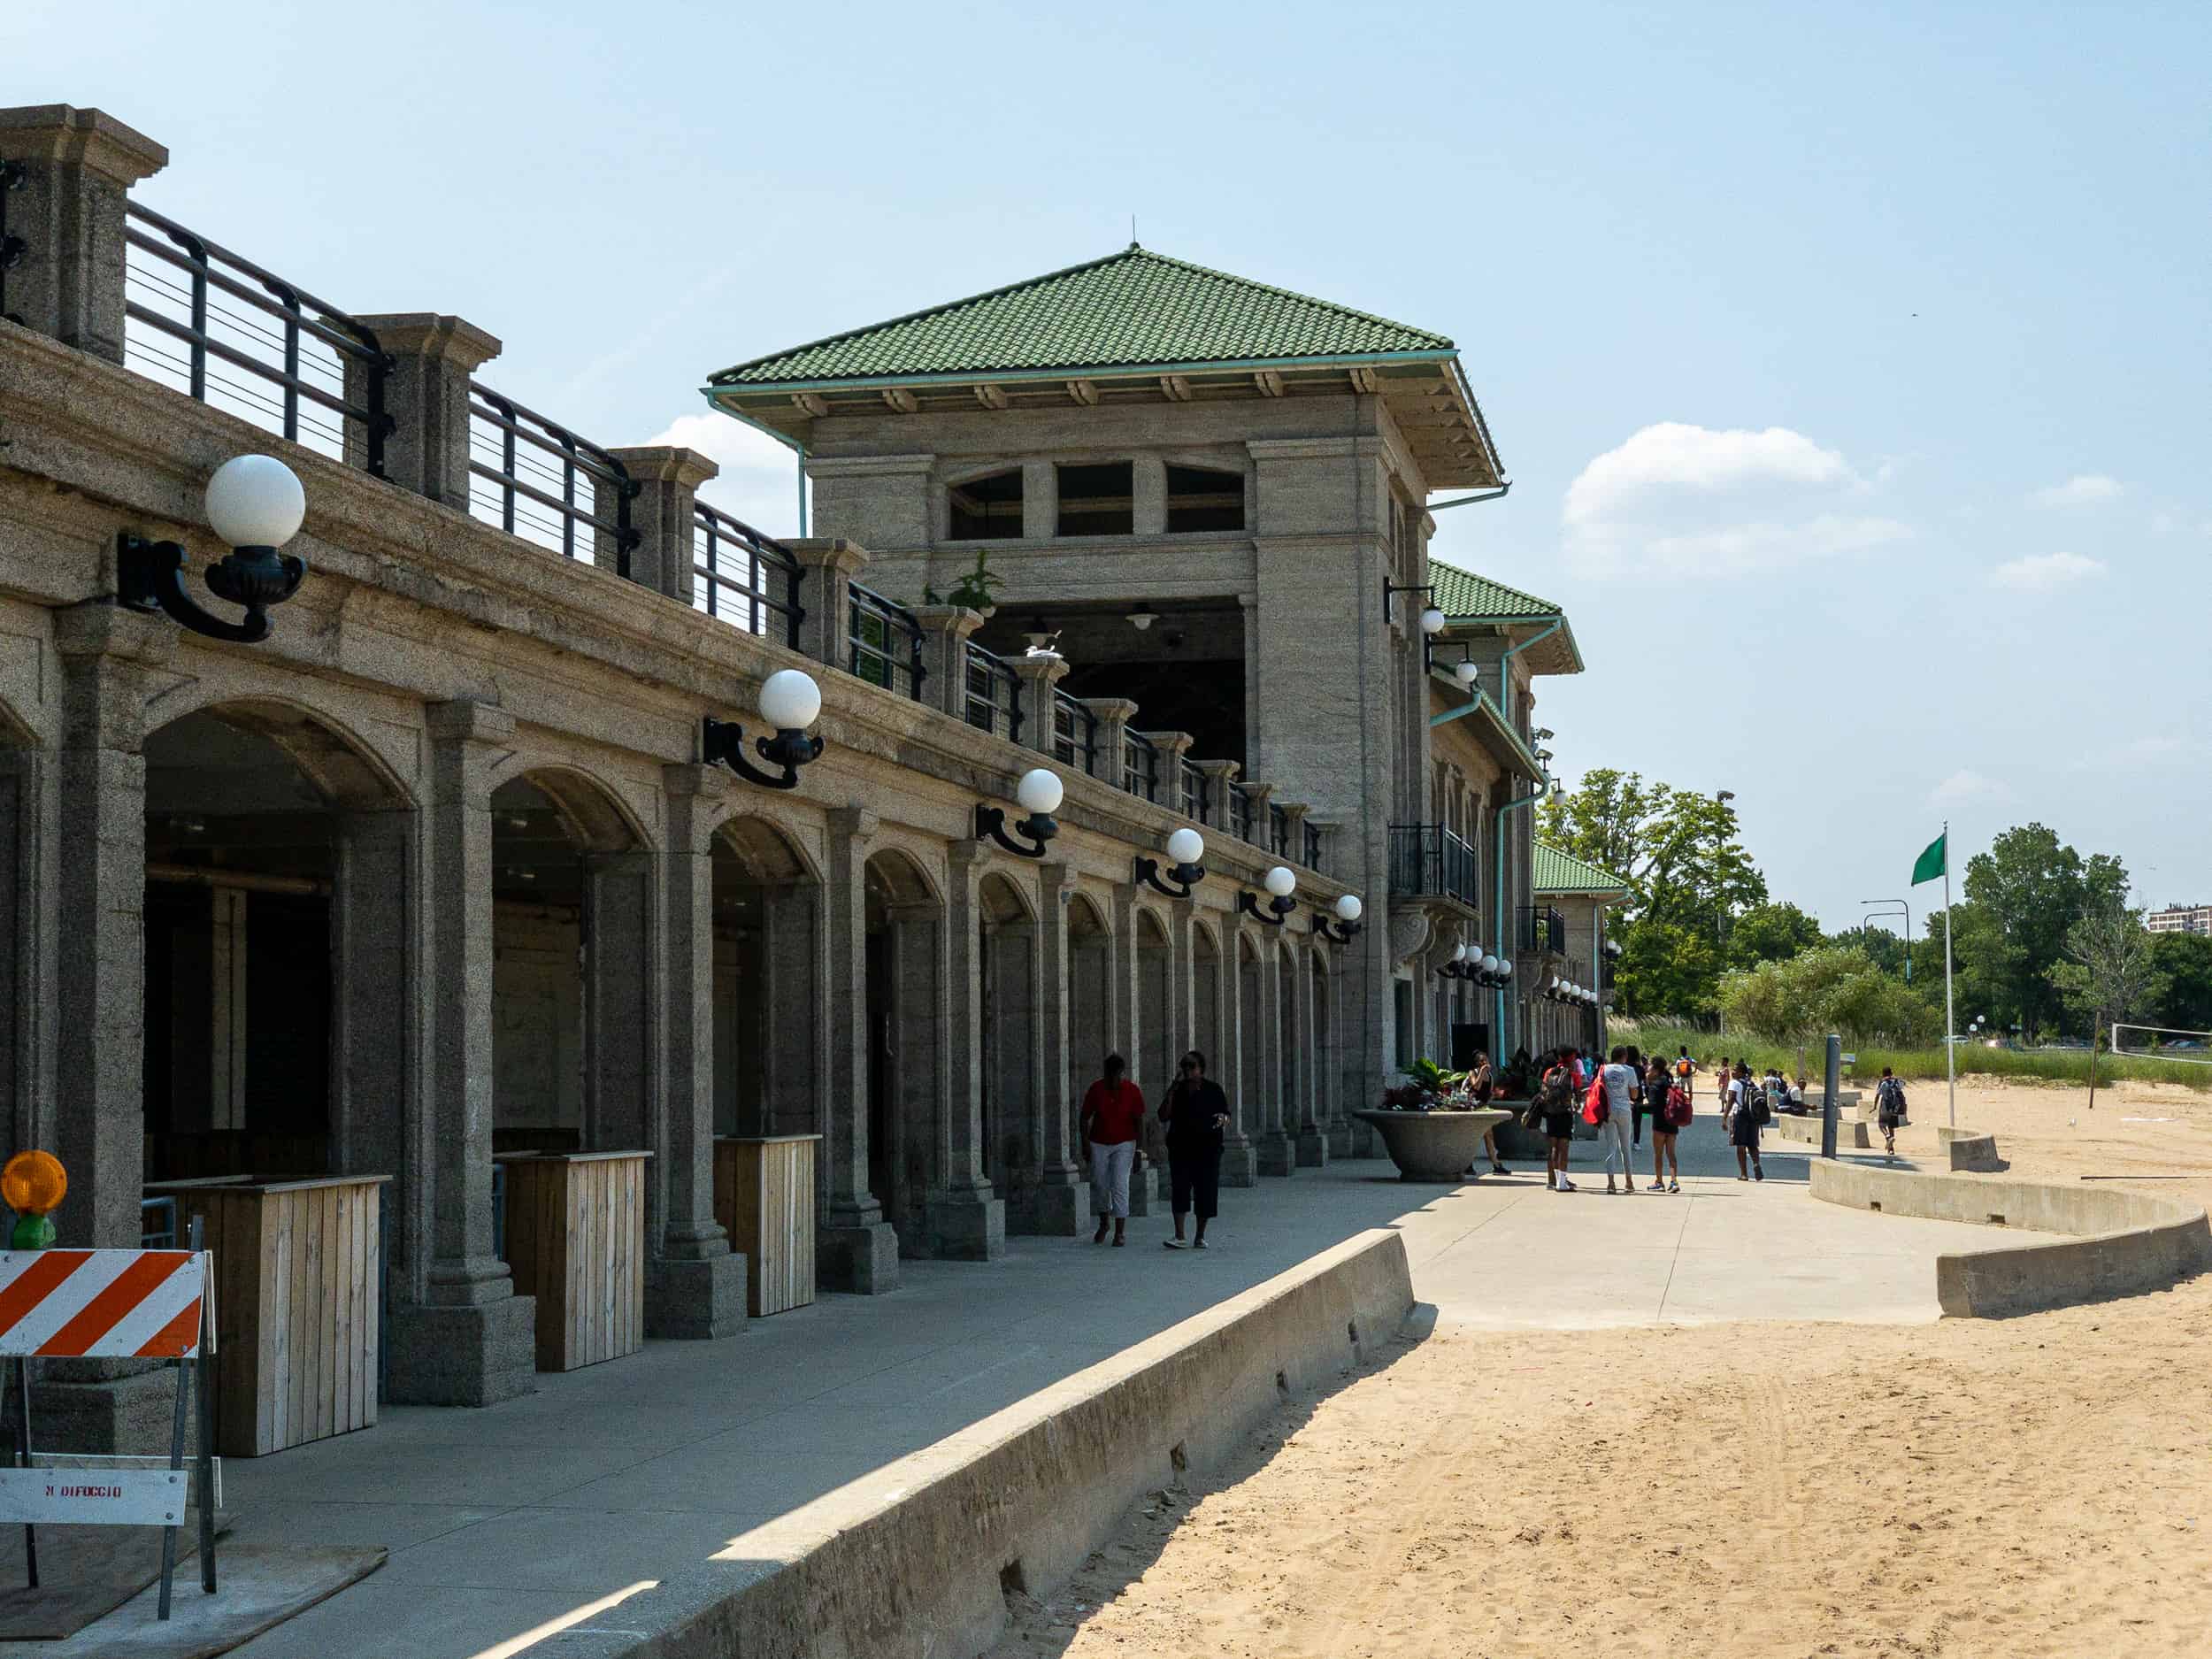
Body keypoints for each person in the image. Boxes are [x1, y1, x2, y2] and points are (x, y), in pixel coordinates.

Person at [1158, 1050, 1230, 1248]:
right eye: (1184, 1067)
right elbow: (1163, 1115)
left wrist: (1223, 1120)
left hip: (1207, 1149)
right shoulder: (1178, 1090)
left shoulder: (1213, 1090)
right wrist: (1171, 1090)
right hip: (1181, 1148)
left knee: (1205, 1192)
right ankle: (1179, 1235)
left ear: (1201, 1069)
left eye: (1191, 1066)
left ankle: (1200, 1236)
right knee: (1180, 1189)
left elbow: (1225, 1114)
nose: (1187, 1070)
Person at [1080, 1053, 1146, 1246]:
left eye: (1116, 1076)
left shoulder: (1132, 1091)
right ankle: (1104, 1222)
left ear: (1122, 1073)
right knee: (1101, 1183)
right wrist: (1085, 1143)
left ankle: (1120, 1231)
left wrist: (1138, 1152)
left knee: (1120, 1183)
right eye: (1109, 1076)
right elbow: (1084, 1117)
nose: (1113, 1080)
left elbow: (1139, 1120)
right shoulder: (1096, 1089)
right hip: (1099, 1142)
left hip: (1125, 1142)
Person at [1594, 1045, 1637, 1194]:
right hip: (1624, 1109)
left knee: (1611, 1147)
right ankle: (1629, 1182)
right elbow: (1635, 1094)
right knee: (1625, 1147)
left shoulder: (1604, 1069)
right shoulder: (1629, 1070)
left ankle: (1611, 1183)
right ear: (1624, 1056)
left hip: (1608, 1111)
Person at [1535, 1050, 1578, 1193]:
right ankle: (1562, 1182)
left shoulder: (1549, 1072)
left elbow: (1543, 1090)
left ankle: (1551, 1180)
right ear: (1570, 1059)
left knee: (1552, 1146)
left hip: (1550, 1112)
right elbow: (1576, 1093)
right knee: (1563, 1147)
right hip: (1565, 1114)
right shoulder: (1572, 1074)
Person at [1465, 1051, 1510, 1178]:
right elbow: (1476, 1087)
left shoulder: (1490, 1075)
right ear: (1478, 1063)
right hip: (1473, 1108)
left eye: (1486, 1060)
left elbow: (1489, 1092)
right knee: (1474, 1137)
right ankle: (1468, 1164)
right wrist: (1481, 1072)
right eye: (1482, 1061)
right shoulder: (1473, 1072)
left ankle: (1496, 1164)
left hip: (1483, 1108)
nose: (1485, 1063)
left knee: (1488, 1136)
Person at [1645, 1055, 1680, 1193]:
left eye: (1649, 1066)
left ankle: (1659, 1182)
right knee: (1671, 1154)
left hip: (1659, 1123)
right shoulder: (1669, 1082)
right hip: (1672, 1122)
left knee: (1658, 1154)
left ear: (1655, 1069)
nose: (1647, 1069)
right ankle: (1674, 1181)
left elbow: (1652, 1107)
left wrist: (1636, 1109)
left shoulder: (1655, 1086)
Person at [1727, 1060, 1765, 1181]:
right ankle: (1756, 1163)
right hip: (1753, 1117)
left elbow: (1731, 1099)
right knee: (1752, 1144)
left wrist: (1724, 1117)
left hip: (1740, 1115)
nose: (1732, 1072)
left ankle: (1744, 1174)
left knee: (1740, 1144)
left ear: (1740, 1072)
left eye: (1735, 1070)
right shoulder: (1752, 1084)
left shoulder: (1734, 1083)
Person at [1875, 1065, 1909, 1159]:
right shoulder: (1896, 1081)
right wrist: (1895, 1078)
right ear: (1891, 1072)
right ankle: (1891, 1150)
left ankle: (1888, 1137)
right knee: (1891, 1127)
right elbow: (1904, 1084)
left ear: (1883, 1073)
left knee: (1881, 1125)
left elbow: (1878, 1095)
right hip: (1895, 1108)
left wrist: (1874, 1106)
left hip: (1885, 1107)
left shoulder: (1883, 1082)